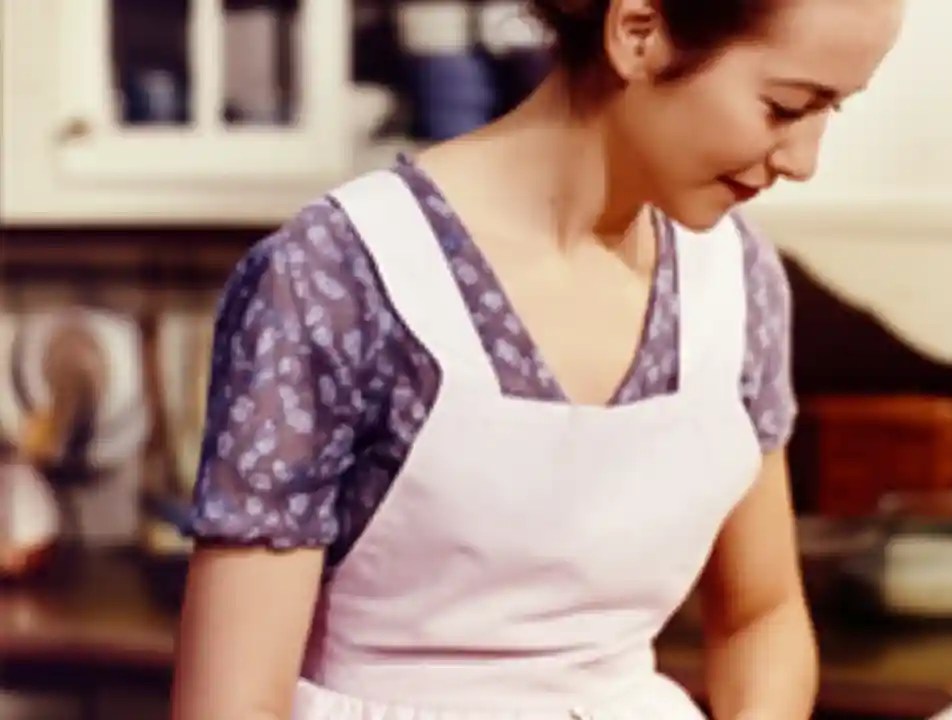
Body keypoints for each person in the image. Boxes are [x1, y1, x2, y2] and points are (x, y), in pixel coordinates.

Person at [170, 0, 904, 717]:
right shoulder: (336, 277)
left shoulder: (738, 279)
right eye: (785, 107)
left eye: (830, 110)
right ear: (638, 33)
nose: (805, 161)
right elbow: (232, 704)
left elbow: (760, 617)